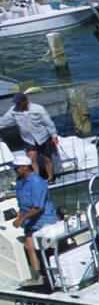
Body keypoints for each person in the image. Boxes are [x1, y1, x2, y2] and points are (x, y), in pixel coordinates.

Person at [9, 155, 57, 288]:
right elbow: (22, 199)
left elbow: (38, 207)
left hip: (43, 221)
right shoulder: (20, 181)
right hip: (30, 222)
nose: (15, 170)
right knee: (29, 246)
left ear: (25, 167)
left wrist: (21, 219)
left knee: (47, 248)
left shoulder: (37, 182)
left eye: (17, 168)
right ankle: (37, 277)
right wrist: (20, 211)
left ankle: (53, 275)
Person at [0, 93, 59, 182]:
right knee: (32, 159)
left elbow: (48, 124)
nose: (17, 105)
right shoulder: (13, 111)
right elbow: (3, 121)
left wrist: (54, 136)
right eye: (16, 103)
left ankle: (51, 178)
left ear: (25, 101)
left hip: (43, 137)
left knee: (47, 158)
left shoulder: (38, 109)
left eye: (19, 103)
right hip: (28, 139)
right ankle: (36, 180)